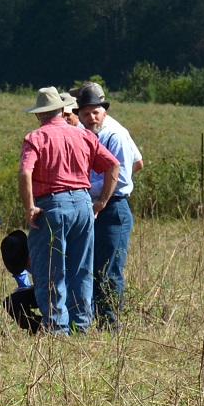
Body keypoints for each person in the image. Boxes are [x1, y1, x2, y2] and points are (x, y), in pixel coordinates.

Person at [19, 87, 120, 334]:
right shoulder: (83, 135)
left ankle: (56, 327)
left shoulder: (36, 137)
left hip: (52, 205)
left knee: (49, 269)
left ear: (39, 115)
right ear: (63, 110)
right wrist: (103, 201)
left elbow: (25, 172)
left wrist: (30, 206)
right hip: (83, 204)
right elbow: (113, 165)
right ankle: (81, 325)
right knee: (81, 268)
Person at [72, 82, 144, 330]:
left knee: (109, 270)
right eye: (85, 113)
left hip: (112, 208)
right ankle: (94, 320)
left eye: (95, 112)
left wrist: (96, 191)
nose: (91, 117)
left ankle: (110, 325)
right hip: (94, 207)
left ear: (104, 111)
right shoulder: (84, 132)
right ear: (78, 114)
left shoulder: (114, 134)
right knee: (92, 267)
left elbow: (123, 176)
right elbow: (139, 162)